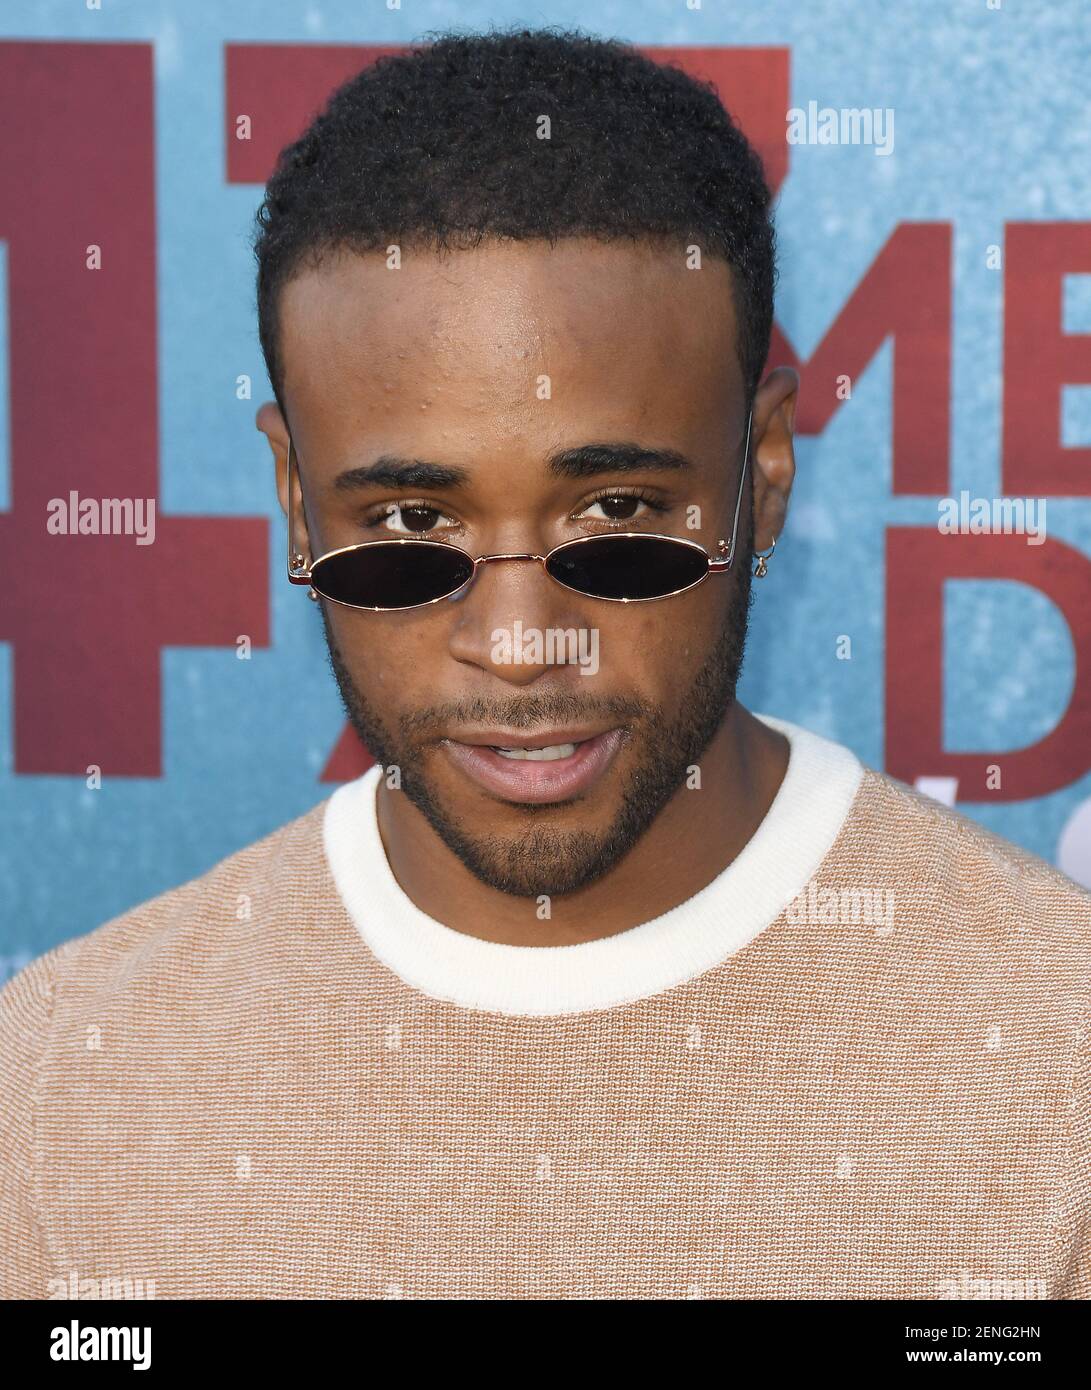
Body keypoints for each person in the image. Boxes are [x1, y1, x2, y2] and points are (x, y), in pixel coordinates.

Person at [2, 27, 1088, 1301]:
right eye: (410, 529)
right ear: (297, 502)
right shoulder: (64, 1091)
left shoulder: (1054, 1053)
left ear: (765, 471)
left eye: (618, 520)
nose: (517, 645)